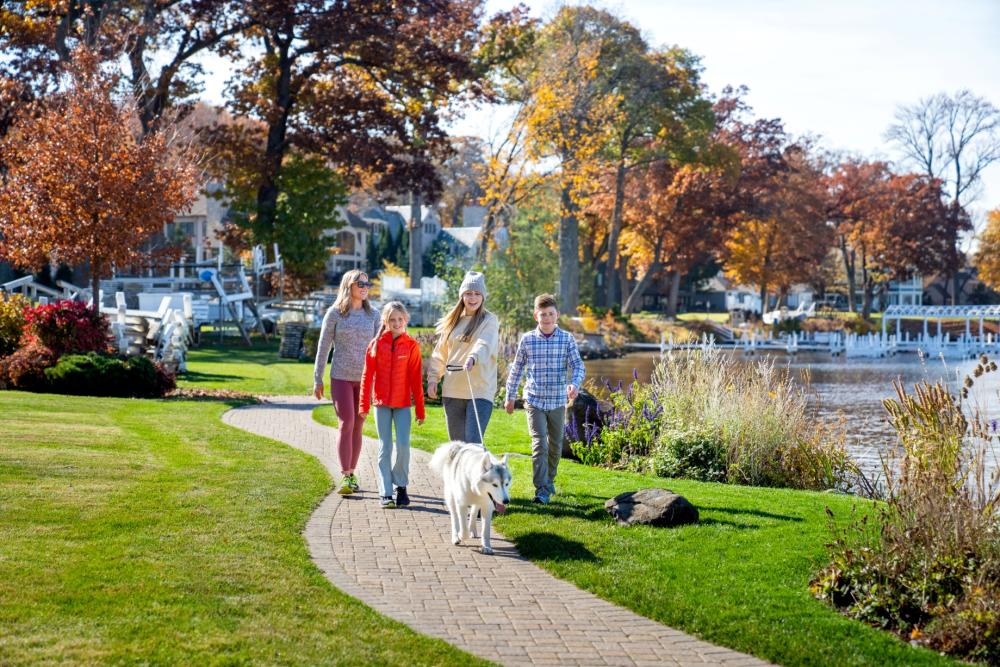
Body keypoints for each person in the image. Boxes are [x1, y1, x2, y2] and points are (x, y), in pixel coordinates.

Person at [504, 293, 585, 504]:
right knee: (539, 443)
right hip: (534, 400)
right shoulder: (527, 339)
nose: (547, 318)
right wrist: (509, 396)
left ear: (557, 315)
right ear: (536, 316)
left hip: (557, 401)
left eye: (550, 314)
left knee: (555, 445)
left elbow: (578, 366)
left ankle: (549, 480)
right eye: (543, 314)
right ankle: (541, 490)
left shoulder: (567, 339)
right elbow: (517, 370)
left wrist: (574, 384)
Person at [313, 269, 380, 495]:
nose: (365, 287)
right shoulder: (335, 314)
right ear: (348, 286)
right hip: (341, 376)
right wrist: (317, 378)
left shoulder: (374, 315)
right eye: (360, 283)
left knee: (358, 425)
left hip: (365, 380)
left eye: (367, 284)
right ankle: (346, 475)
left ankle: (352, 473)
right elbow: (323, 347)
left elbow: (380, 349)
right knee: (347, 422)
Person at [359, 301, 425, 509]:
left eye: (400, 319)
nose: (396, 323)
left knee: (403, 446)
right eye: (392, 320)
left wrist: (420, 410)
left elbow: (416, 379)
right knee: (385, 447)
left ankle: (401, 485)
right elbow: (367, 376)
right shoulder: (376, 344)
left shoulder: (411, 345)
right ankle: (386, 492)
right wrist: (363, 405)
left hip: (403, 404)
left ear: (405, 320)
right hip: (381, 404)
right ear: (385, 321)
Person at [426, 271, 499, 444]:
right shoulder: (453, 322)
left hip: (480, 391)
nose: (472, 298)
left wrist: (473, 357)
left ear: (483, 296)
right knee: (457, 447)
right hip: (452, 390)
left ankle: (483, 463)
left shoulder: (489, 320)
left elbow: (484, 343)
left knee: (473, 445)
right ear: (462, 296)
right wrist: (433, 379)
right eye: (468, 293)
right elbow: (440, 353)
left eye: (477, 293)